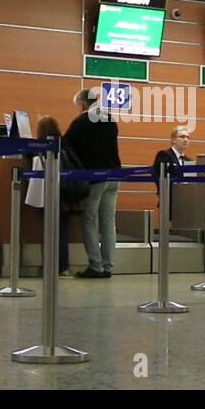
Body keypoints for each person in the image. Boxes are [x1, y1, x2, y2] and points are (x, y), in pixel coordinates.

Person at [64, 88, 121, 278]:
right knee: (108, 222)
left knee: (88, 220)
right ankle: (108, 266)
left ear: (82, 105)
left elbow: (65, 145)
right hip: (114, 176)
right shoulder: (110, 120)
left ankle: (96, 266)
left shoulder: (81, 121)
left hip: (95, 177)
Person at [25, 117, 76, 277]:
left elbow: (27, 155)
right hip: (67, 194)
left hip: (46, 195)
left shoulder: (38, 146)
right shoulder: (65, 143)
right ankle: (63, 267)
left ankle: (50, 266)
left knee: (48, 232)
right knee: (62, 232)